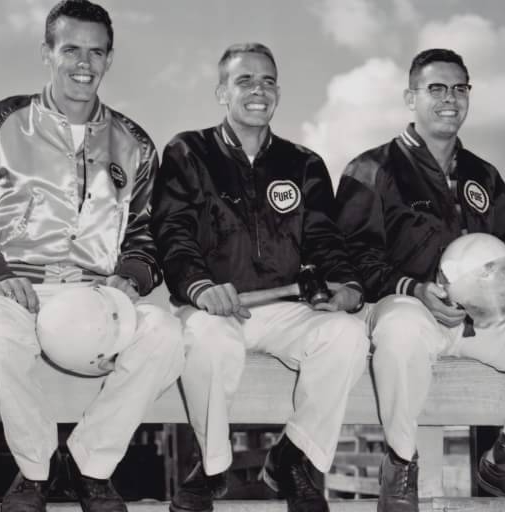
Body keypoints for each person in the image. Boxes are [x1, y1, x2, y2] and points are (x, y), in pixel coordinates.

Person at [0, 2, 184, 511]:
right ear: (46, 53)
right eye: (70, 49)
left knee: (167, 333)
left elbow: (149, 233)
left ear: (109, 59)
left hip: (98, 294)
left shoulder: (135, 143)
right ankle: (35, 469)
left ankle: (91, 463)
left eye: (96, 51)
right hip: (19, 289)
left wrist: (131, 279)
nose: (83, 63)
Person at [333, 48, 505, 512]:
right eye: (436, 88)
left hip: (482, 321)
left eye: (459, 88)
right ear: (411, 98)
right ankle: (400, 463)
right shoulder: (372, 168)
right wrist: (414, 289)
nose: (449, 98)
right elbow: (351, 256)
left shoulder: (484, 175)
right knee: (401, 329)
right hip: (409, 306)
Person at [151, 42, 370, 512]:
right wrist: (200, 286)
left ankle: (293, 458)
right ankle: (209, 471)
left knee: (348, 336)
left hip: (287, 311)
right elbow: (172, 233)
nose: (258, 90)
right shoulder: (188, 150)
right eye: (244, 80)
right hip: (213, 309)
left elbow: (324, 240)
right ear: (221, 92)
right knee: (211, 343)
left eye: (268, 81)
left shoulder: (304, 162)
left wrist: (348, 284)